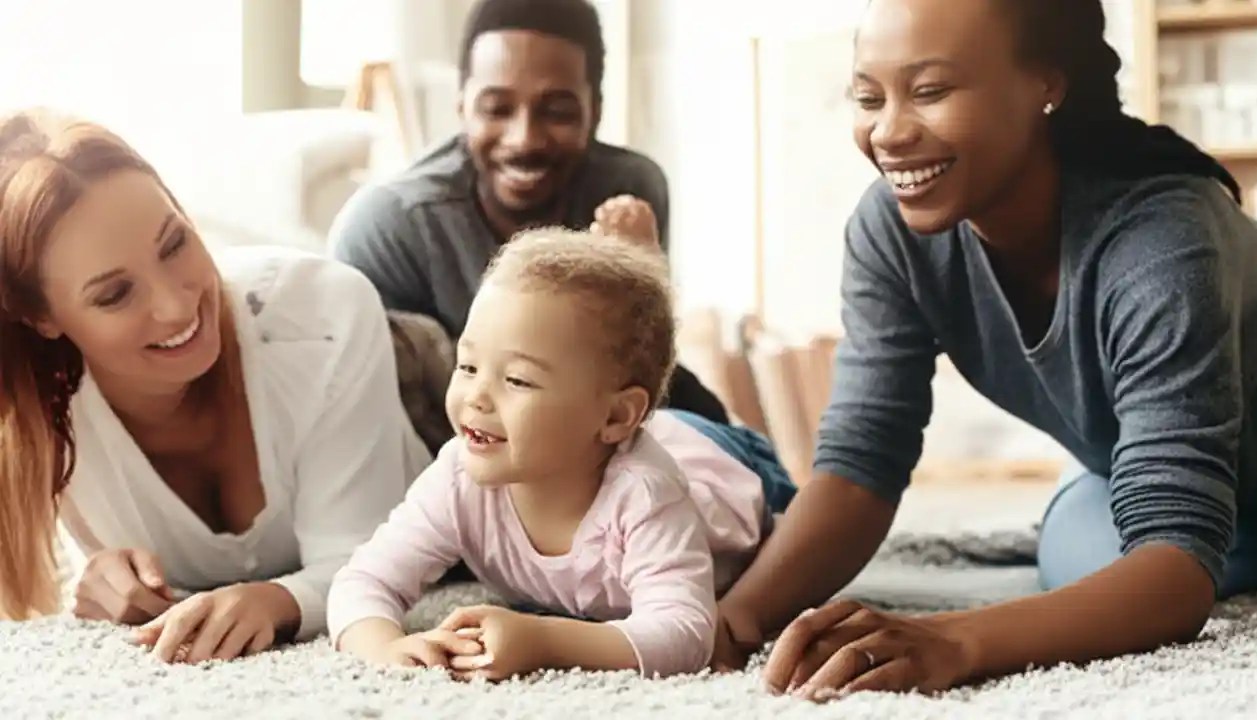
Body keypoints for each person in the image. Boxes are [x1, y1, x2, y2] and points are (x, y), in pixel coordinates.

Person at [712, 0, 1257, 699]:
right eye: (868, 96)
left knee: (1140, 577)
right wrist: (731, 622)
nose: (888, 132)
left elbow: (1176, 573)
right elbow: (861, 461)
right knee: (1079, 551)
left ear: (1046, 83)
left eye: (930, 91)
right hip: (1206, 486)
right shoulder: (892, 233)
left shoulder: (1161, 243)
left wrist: (954, 640)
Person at [0, 110, 429, 663]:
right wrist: (102, 576)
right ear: (42, 319)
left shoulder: (326, 312)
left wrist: (274, 601)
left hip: (423, 389)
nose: (177, 305)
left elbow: (368, 562)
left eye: (174, 243)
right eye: (114, 295)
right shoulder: (44, 415)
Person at [327, 229, 794, 679]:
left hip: (723, 464)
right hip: (637, 433)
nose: (476, 397)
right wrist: (383, 647)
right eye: (467, 366)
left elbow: (687, 633)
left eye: (517, 380)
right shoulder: (457, 476)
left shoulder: (645, 495)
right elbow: (362, 581)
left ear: (614, 417)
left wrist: (546, 641)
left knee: (780, 507)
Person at [329, 0, 730, 429]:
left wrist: (635, 267)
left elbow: (644, 367)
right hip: (451, 446)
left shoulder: (630, 187)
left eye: (556, 112)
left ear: (594, 110)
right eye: (497, 109)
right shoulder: (390, 226)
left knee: (714, 436)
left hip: (599, 425)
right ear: (461, 106)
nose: (524, 139)